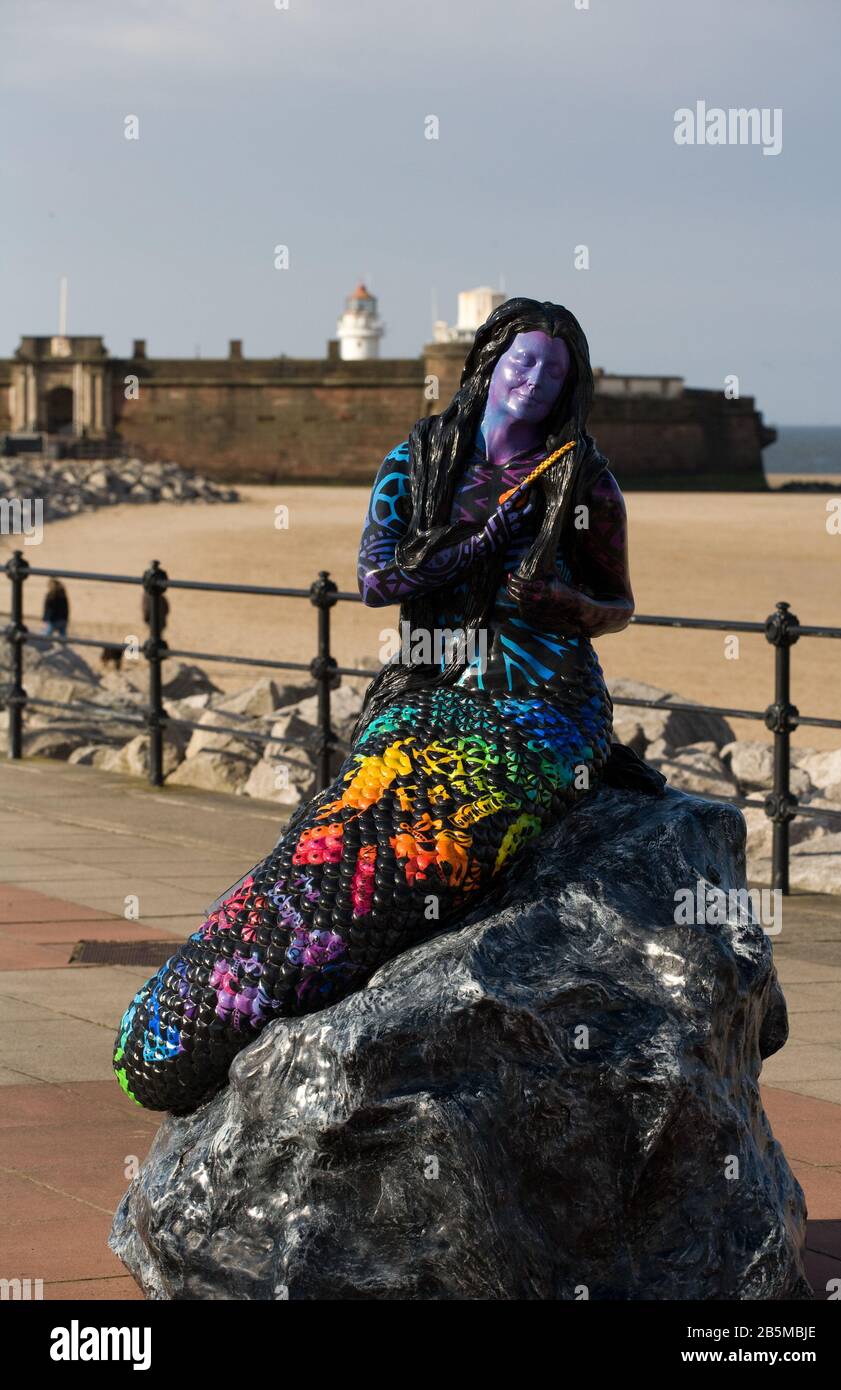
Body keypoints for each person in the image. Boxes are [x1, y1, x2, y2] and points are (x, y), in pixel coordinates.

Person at [113, 297, 635, 1114]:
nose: (534, 380)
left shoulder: (583, 477)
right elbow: (376, 580)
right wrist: (476, 550)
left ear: (571, 387)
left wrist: (557, 599)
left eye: (555, 371)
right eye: (523, 360)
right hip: (426, 686)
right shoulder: (419, 457)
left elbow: (616, 605)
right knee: (346, 821)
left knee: (440, 839)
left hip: (542, 698)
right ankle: (191, 1011)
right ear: (489, 364)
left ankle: (232, 1009)